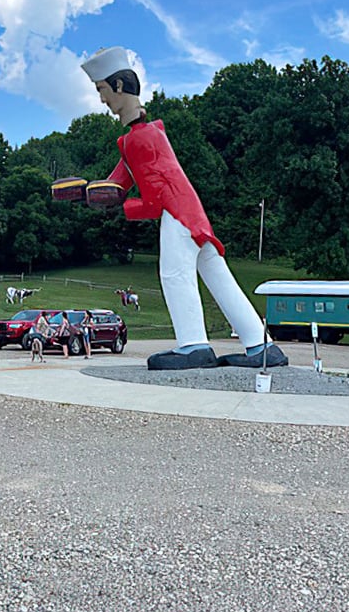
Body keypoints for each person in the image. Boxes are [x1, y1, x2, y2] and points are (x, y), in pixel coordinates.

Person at [68, 45, 288, 371]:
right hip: (193, 213)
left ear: (118, 86)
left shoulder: (141, 139)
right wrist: (87, 194)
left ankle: (194, 345)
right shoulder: (142, 136)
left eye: (102, 90)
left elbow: (154, 201)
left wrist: (121, 208)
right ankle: (260, 344)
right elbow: (118, 184)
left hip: (176, 214)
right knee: (218, 277)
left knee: (174, 274)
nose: (102, 100)